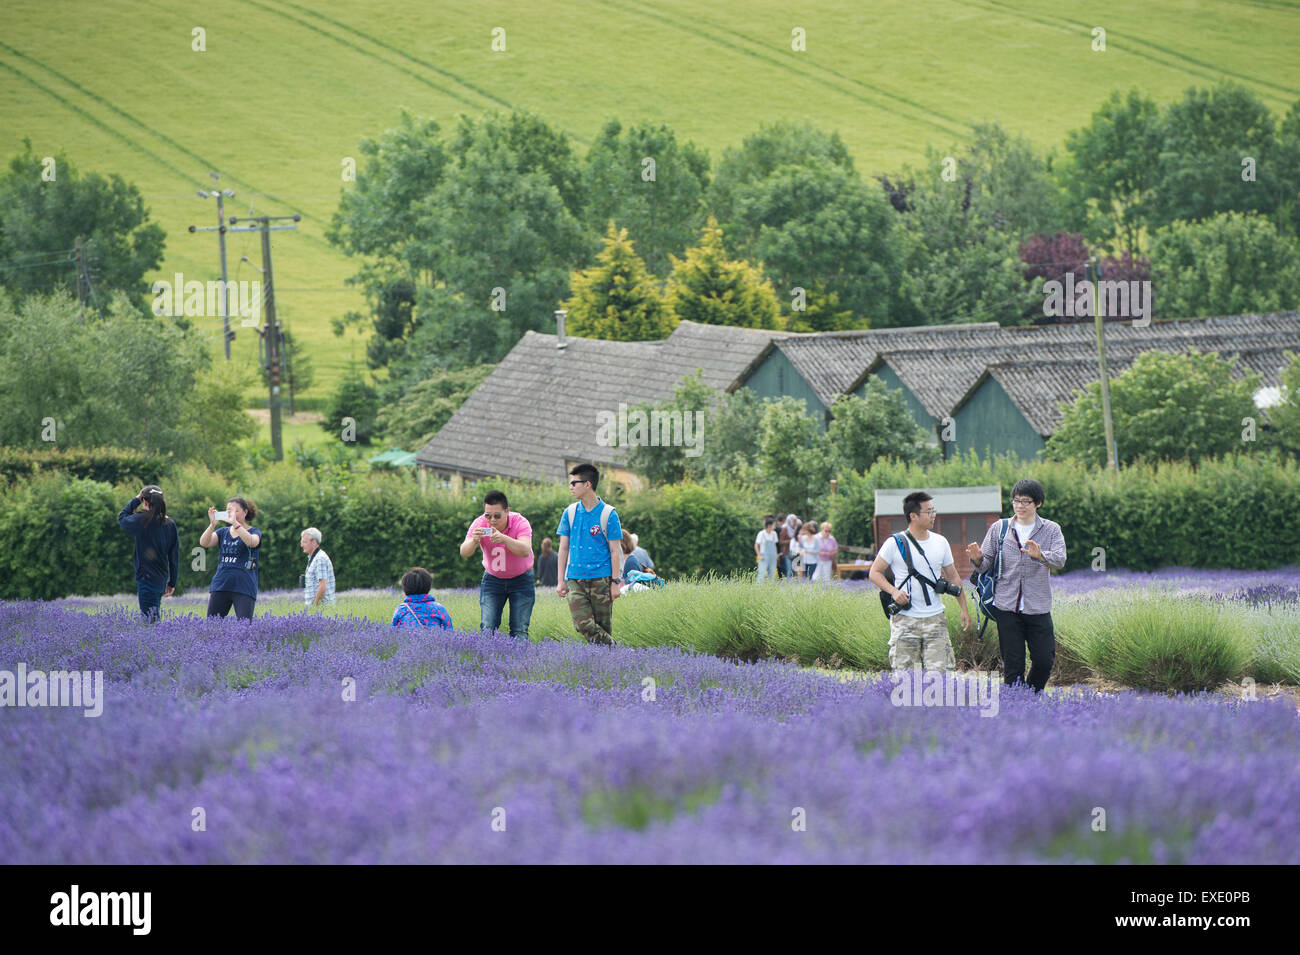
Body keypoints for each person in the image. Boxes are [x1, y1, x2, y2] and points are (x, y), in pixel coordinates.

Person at [966, 479, 1066, 693]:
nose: (1020, 506)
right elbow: (985, 565)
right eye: (1016, 501)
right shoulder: (999, 528)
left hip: (1038, 606)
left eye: (1026, 501)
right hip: (1007, 607)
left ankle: (1029, 697)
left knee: (1044, 661)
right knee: (1013, 665)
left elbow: (1060, 559)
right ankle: (1016, 708)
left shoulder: (1051, 529)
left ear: (1038, 503)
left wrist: (1040, 556)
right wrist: (976, 560)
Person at [870, 492, 971, 672]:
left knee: (940, 677)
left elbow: (954, 577)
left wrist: (964, 608)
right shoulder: (895, 543)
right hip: (905, 620)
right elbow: (874, 572)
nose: (933, 515)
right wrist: (894, 592)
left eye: (934, 510)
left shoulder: (941, 542)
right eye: (929, 512)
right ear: (913, 516)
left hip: (936, 619)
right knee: (905, 678)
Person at [556, 464, 622, 645]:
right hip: (575, 579)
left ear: (588, 484)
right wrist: (561, 580)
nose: (571, 487)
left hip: (601, 579)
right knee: (582, 624)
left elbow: (615, 551)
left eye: (574, 483)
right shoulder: (569, 512)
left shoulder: (609, 514)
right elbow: (563, 549)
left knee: (603, 626)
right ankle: (616, 649)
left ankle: (606, 665)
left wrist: (615, 583)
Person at [460, 490, 535, 640]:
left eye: (497, 516)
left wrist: (504, 539)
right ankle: (488, 661)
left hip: (521, 579)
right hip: (493, 580)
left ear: (507, 511)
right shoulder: (479, 523)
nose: (492, 520)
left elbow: (525, 550)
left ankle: (519, 662)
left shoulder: (520, 522)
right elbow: (464, 552)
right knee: (488, 627)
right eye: (488, 515)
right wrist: (474, 541)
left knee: (519, 630)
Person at [117, 485, 179, 622]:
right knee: (154, 617)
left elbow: (122, 518)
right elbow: (174, 557)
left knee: (150, 622)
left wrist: (136, 499)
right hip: (161, 578)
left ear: (145, 501)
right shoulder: (170, 523)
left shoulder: (142, 520)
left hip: (146, 578)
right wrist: (172, 582)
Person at [200, 497, 261, 620]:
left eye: (235, 511)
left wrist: (235, 524)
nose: (230, 514)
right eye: (228, 510)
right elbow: (204, 542)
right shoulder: (223, 532)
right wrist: (212, 525)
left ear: (245, 512)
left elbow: (251, 542)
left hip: (244, 586)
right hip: (221, 584)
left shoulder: (254, 531)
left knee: (244, 625)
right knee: (213, 624)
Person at [300, 527, 336, 610]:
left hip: (322, 609)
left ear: (314, 542)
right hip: (317, 609)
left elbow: (323, 585)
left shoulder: (320, 558)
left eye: (304, 542)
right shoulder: (313, 558)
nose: (301, 545)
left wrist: (314, 607)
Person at [755, 516, 778, 581]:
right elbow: (756, 545)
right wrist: (759, 555)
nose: (775, 527)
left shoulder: (774, 534)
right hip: (764, 556)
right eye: (774, 525)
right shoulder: (761, 533)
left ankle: (771, 588)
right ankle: (758, 588)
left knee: (772, 573)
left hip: (772, 556)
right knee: (761, 573)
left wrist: (776, 555)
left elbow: (774, 545)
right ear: (769, 525)